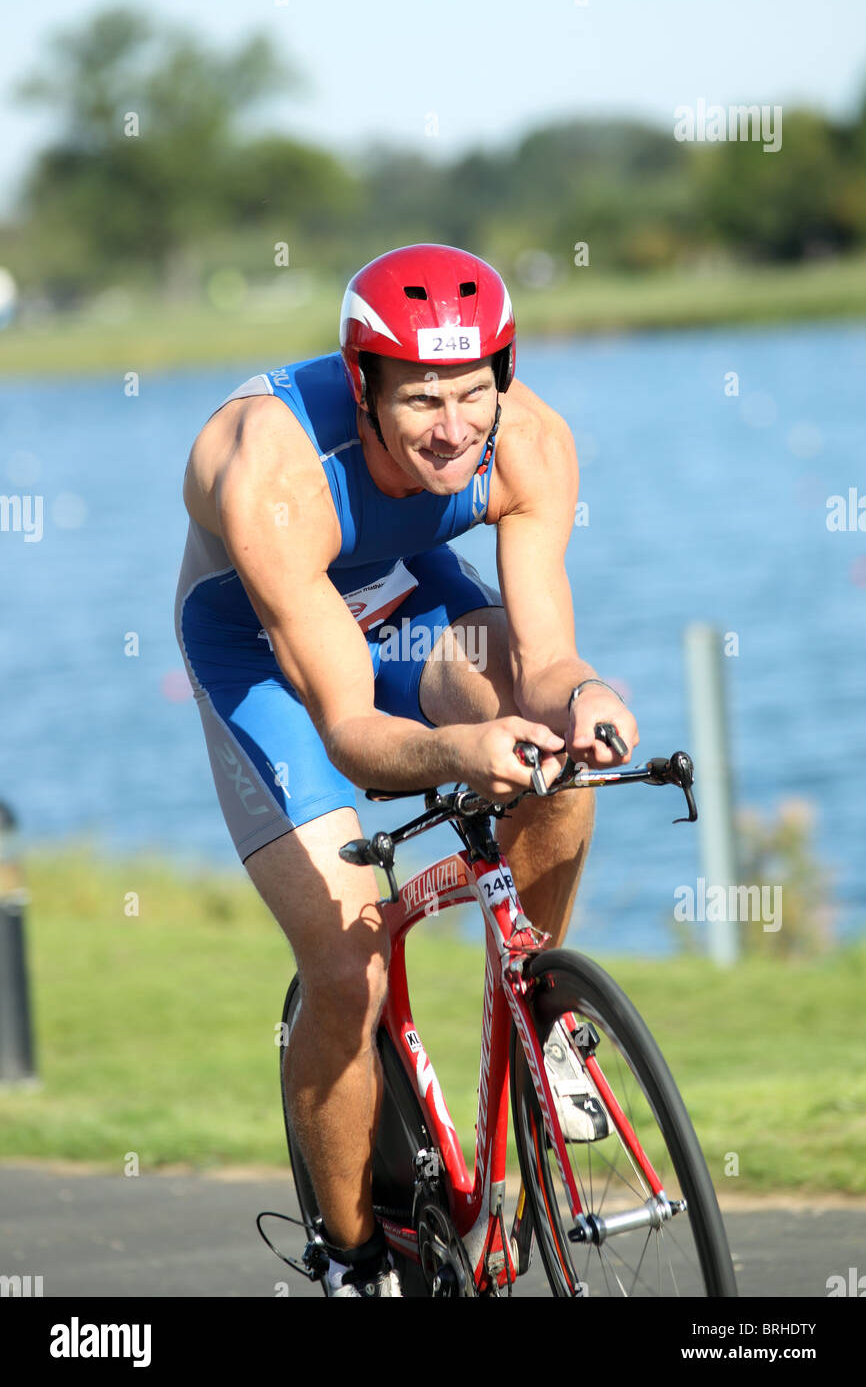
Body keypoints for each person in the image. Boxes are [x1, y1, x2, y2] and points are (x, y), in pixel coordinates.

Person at [174, 242, 638, 1296]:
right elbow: (345, 725)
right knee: (350, 971)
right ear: (362, 383)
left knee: (551, 757)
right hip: (262, 644)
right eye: (422, 397)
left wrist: (582, 699)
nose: (452, 426)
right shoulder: (273, 471)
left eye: (473, 392)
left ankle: (541, 1018)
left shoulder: (529, 446)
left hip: (403, 601)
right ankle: (349, 1256)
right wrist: (457, 752)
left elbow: (547, 655)